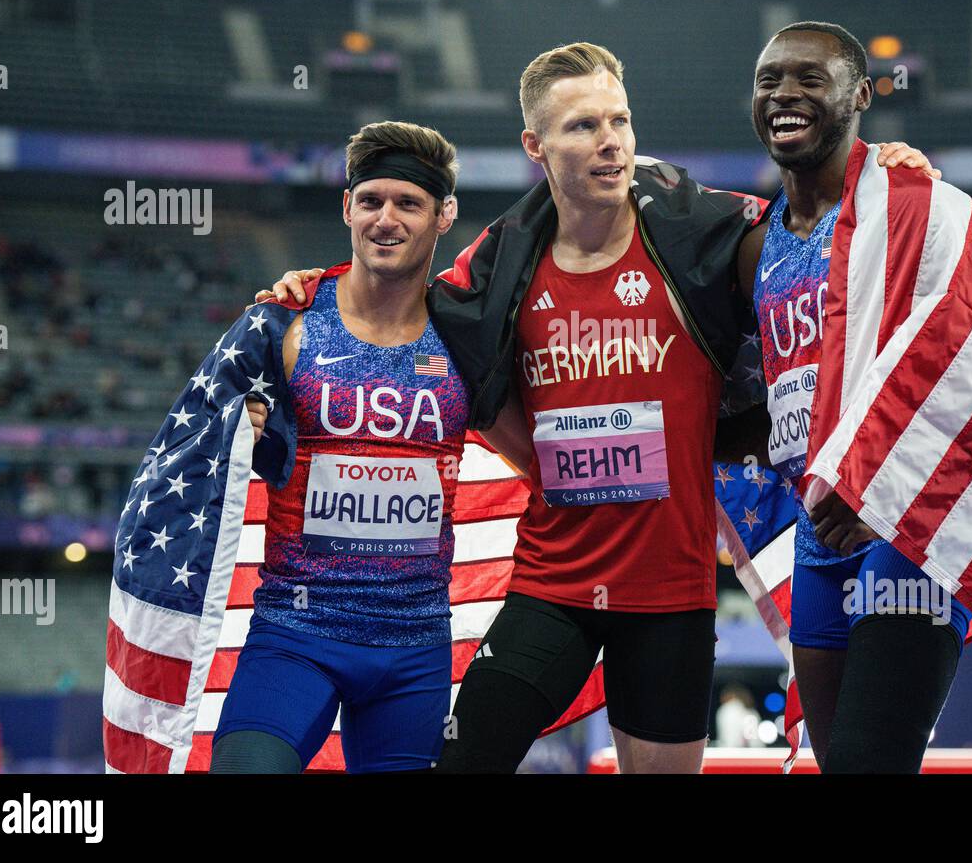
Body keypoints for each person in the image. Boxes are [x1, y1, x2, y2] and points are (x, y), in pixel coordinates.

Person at [259, 43, 937, 773]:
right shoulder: (497, 268)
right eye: (583, 126)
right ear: (536, 146)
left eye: (620, 120)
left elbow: (820, 234)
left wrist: (878, 175)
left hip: (673, 599)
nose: (610, 141)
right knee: (459, 762)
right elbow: (402, 305)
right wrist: (318, 291)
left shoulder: (703, 236)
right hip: (554, 586)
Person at [741, 22, 972, 772]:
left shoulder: (908, 208)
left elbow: (964, 359)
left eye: (811, 78)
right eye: (770, 79)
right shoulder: (754, 237)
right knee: (838, 761)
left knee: (872, 761)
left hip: (909, 523)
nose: (785, 93)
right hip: (819, 532)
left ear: (861, 96)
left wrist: (905, 178)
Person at [209, 121, 469, 773]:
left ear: (444, 215)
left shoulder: (469, 333)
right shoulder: (285, 321)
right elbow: (214, 446)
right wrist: (252, 437)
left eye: (408, 203)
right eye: (371, 200)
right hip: (297, 637)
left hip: (415, 649)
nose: (386, 219)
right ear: (346, 206)